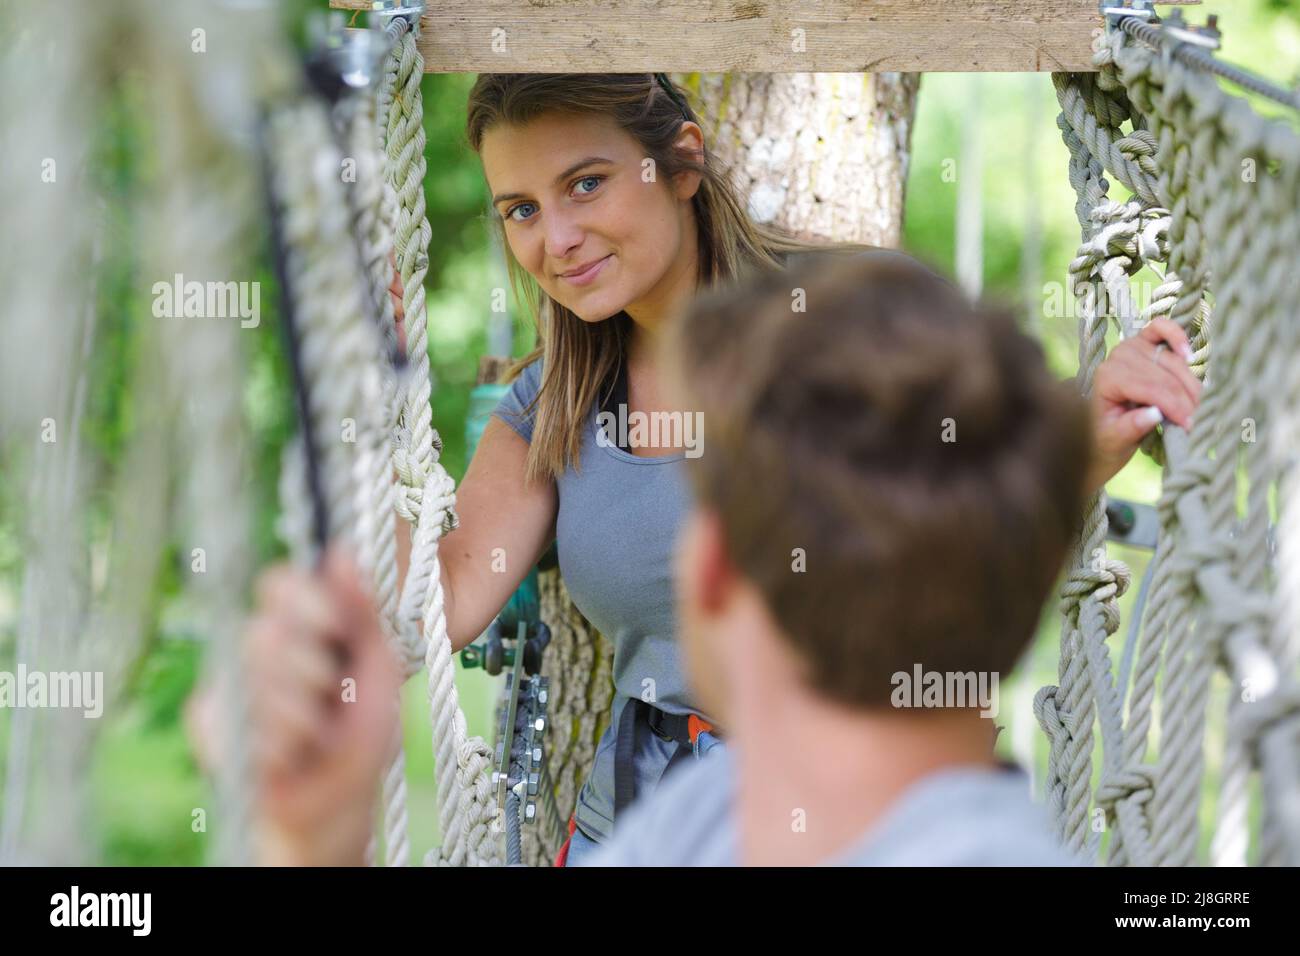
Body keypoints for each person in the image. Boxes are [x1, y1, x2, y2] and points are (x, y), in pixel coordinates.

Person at [192, 74, 1202, 865]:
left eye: (584, 183)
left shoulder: (832, 322)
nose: (556, 237)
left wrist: (1086, 424)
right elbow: (441, 597)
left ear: (679, 164)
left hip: (856, 796)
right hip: (649, 818)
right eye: (519, 209)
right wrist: (366, 406)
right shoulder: (554, 404)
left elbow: (939, 500)